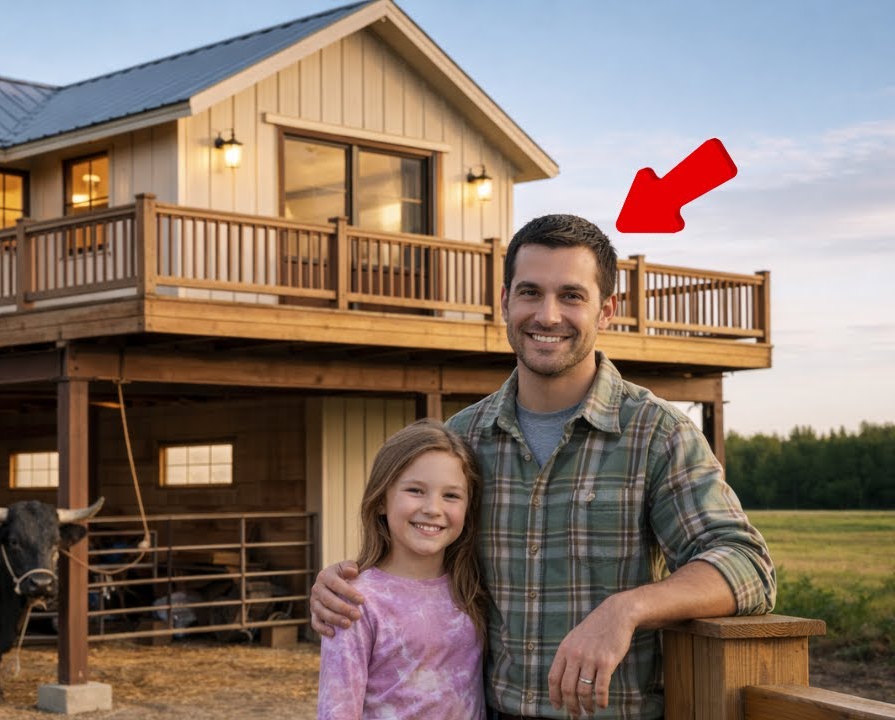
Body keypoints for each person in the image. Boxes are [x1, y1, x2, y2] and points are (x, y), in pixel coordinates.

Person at [311, 214, 776, 719]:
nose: (548, 315)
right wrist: (342, 583)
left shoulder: (656, 434)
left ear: (607, 310)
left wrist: (626, 610)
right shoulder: (463, 438)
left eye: (572, 296)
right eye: (530, 292)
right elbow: (417, 563)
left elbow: (747, 566)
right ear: (505, 301)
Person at [317, 419, 488, 720]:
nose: (433, 508)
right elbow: (337, 710)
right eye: (415, 490)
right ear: (381, 499)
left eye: (451, 495)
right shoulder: (355, 600)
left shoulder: (471, 588)